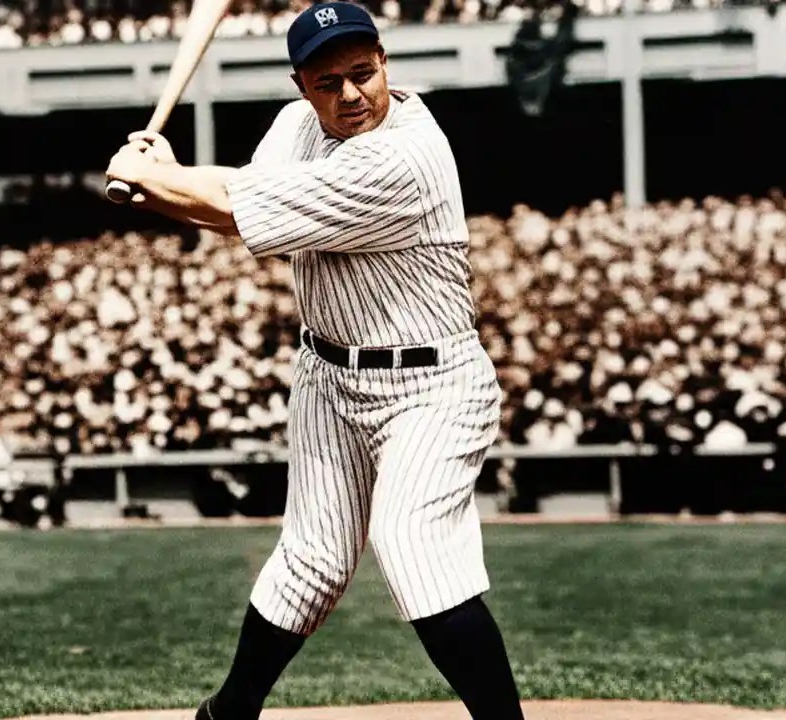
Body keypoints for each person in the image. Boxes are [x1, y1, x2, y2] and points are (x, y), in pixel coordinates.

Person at [105, 3, 527, 718]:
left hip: (432, 385)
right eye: (329, 82)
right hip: (329, 374)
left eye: (364, 73)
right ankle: (228, 712)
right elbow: (232, 206)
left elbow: (236, 204)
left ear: (386, 62)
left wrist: (155, 174)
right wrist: (161, 186)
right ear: (302, 85)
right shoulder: (294, 128)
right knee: (312, 560)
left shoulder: (406, 156)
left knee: (412, 544)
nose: (352, 94)